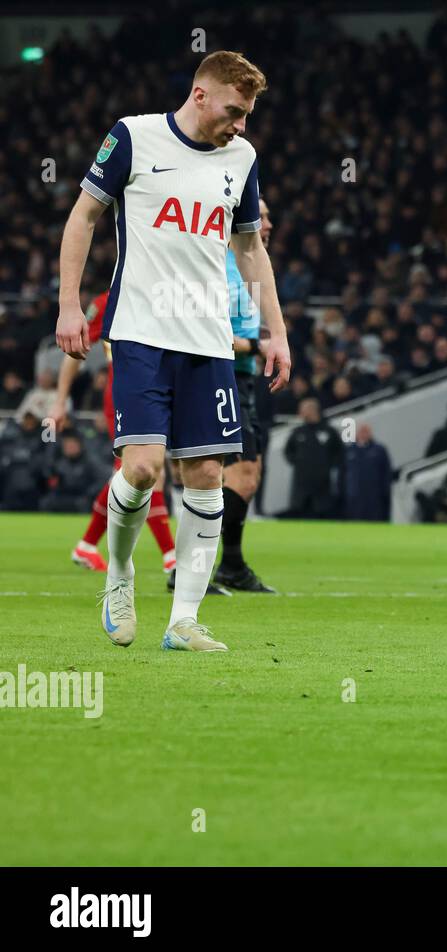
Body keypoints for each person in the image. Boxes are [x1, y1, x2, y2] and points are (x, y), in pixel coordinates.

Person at [55, 51, 290, 652]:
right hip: (139, 331)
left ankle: (183, 620)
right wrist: (69, 304)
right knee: (140, 469)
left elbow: (249, 250)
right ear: (201, 93)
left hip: (208, 341)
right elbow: (83, 216)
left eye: (248, 114)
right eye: (235, 111)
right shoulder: (133, 136)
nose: (240, 124)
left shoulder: (243, 159)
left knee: (208, 473)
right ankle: (119, 573)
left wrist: (277, 331)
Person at [51, 289, 180, 579]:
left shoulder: (172, 289)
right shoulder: (110, 298)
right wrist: (60, 401)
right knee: (147, 471)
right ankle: (172, 558)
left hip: (162, 390)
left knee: (129, 473)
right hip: (127, 393)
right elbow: (76, 348)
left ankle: (86, 545)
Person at [214, 198, 277, 592]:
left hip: (244, 377)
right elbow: (207, 328)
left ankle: (230, 565)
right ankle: (197, 565)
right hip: (222, 376)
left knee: (246, 474)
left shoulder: (250, 265)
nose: (268, 223)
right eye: (262, 216)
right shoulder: (218, 264)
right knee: (234, 473)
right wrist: (256, 348)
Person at [284, 397, 344, 518]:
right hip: (302, 484)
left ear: (312, 410)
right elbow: (288, 451)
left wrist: (329, 465)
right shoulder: (298, 432)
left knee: (323, 514)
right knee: (302, 515)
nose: (300, 413)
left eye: (302, 409)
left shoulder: (329, 431)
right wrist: (298, 462)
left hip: (322, 484)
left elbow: (340, 452)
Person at [343, 423, 393, 521]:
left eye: (366, 431)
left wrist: (385, 492)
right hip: (355, 497)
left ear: (370, 433)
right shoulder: (349, 450)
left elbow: (386, 473)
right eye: (361, 431)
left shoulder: (379, 450)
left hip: (374, 496)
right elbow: (343, 474)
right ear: (356, 433)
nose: (363, 434)